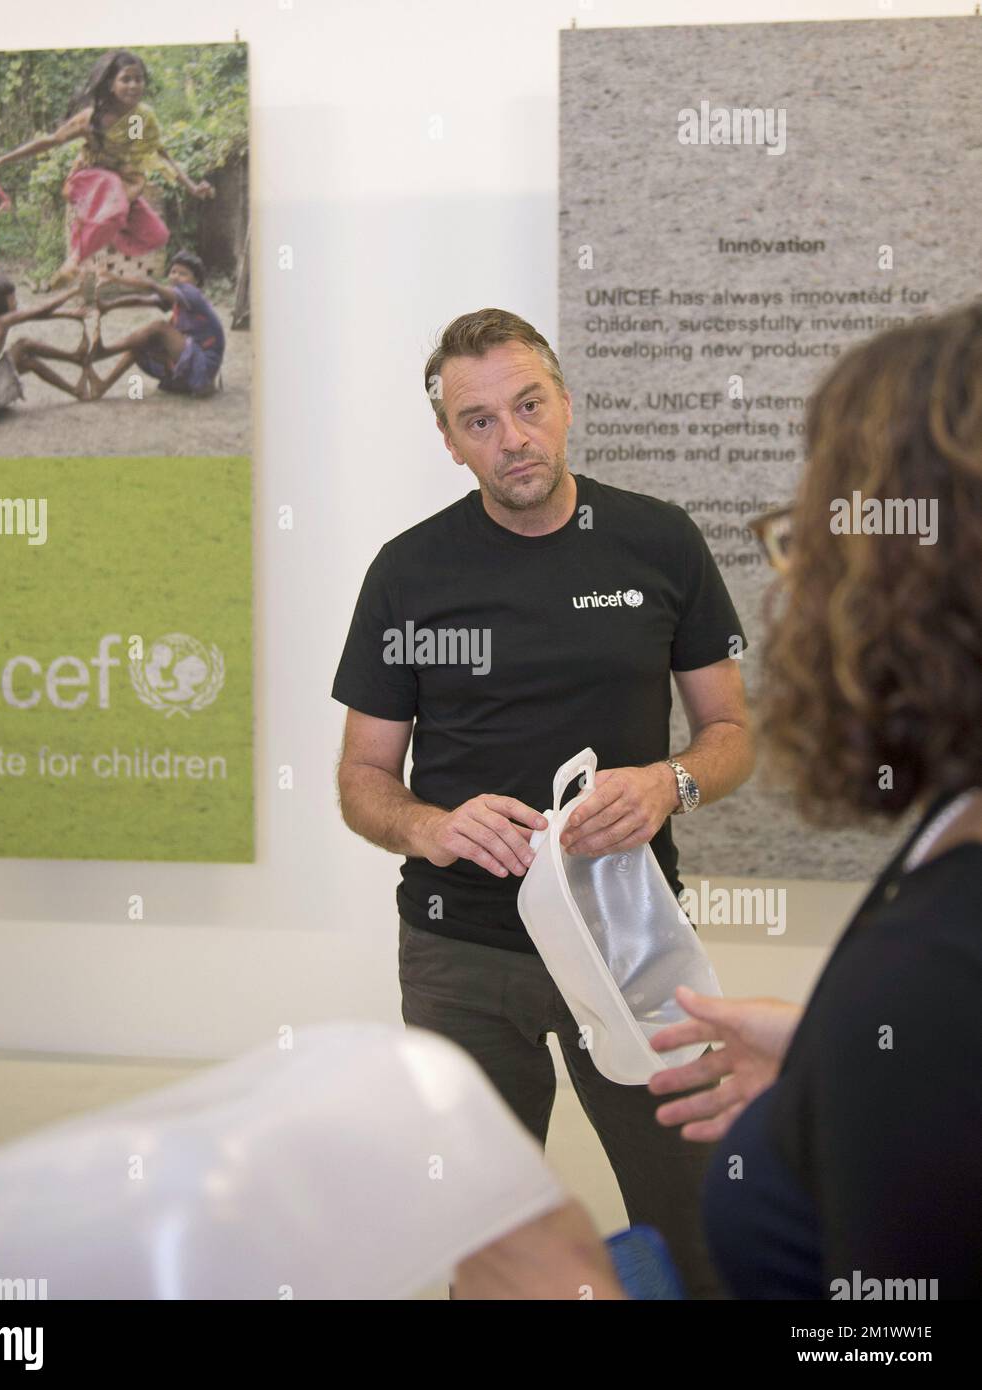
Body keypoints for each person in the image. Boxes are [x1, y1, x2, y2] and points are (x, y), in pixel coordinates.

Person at [458, 298, 982, 1300]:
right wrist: (832, 1061)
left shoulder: (943, 948)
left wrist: (579, 1288)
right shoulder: (947, 856)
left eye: (824, 531)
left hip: (631, 943)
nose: (802, 577)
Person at [332, 307, 755, 1298]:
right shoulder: (407, 571)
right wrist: (432, 827)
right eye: (478, 421)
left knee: (694, 1224)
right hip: (460, 954)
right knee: (489, 1243)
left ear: (564, 404)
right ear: (449, 441)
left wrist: (668, 782)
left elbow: (732, 733)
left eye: (528, 406)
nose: (511, 437)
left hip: (629, 939)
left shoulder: (658, 541)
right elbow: (361, 780)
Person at [0, 49, 214, 288]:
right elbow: (50, 141)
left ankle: (104, 226)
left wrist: (191, 187)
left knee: (157, 234)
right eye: (126, 79)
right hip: (88, 180)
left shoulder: (136, 120)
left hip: (119, 187)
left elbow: (150, 152)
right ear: (110, 84)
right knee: (113, 194)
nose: (133, 85)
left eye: (138, 79)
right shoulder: (91, 118)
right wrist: (1, 160)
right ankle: (74, 259)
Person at [87, 251, 225, 399]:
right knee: (139, 344)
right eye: (173, 272)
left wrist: (116, 279)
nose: (176, 276)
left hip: (203, 367)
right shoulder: (175, 297)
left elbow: (151, 286)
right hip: (185, 370)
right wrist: (108, 306)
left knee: (160, 327)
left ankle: (105, 352)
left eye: (183, 274)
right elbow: (140, 300)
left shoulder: (193, 294)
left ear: (196, 281)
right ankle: (102, 386)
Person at [0, 274, 92, 412]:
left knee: (29, 362)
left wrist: (70, 313)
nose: (16, 302)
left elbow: (36, 315)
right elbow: (42, 310)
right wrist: (73, 291)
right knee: (23, 345)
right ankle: (75, 357)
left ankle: (76, 390)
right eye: (13, 299)